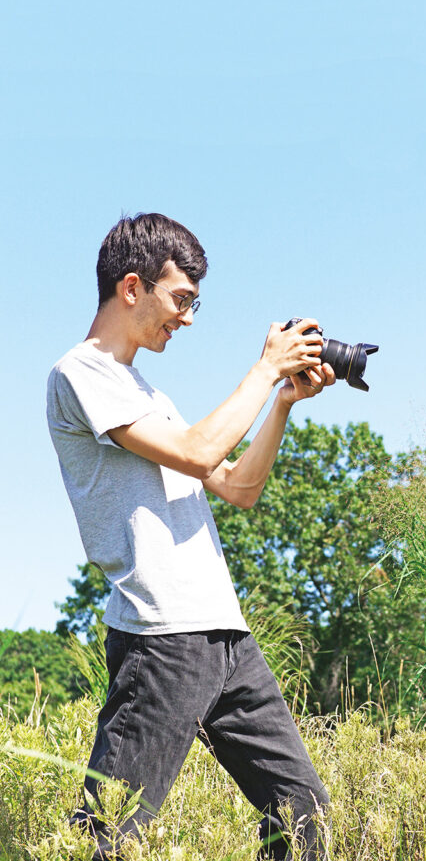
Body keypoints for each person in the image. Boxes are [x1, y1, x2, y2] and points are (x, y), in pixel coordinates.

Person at [47, 213, 334, 860]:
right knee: (109, 839)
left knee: (303, 815)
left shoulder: (149, 393)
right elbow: (202, 451)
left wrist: (282, 399)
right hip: (161, 636)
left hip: (225, 635)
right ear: (131, 288)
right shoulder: (80, 373)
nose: (189, 318)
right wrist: (263, 370)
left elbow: (239, 486)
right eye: (182, 299)